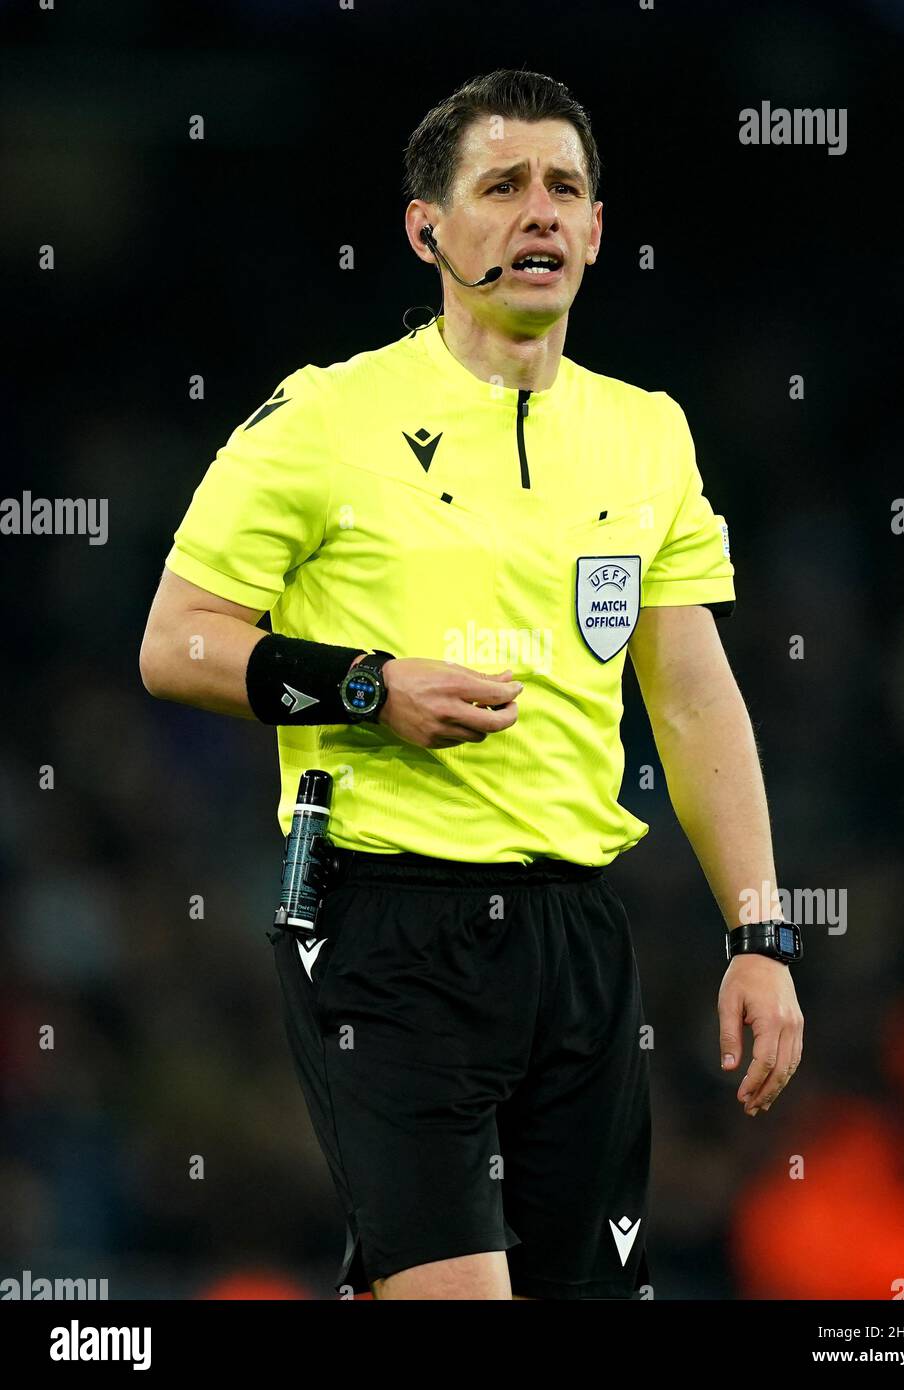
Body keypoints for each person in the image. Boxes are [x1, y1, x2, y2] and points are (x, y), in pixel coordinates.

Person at [139, 68, 804, 1301]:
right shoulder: (323, 418)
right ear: (426, 229)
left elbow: (693, 696)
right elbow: (175, 643)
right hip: (383, 925)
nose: (538, 210)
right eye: (501, 186)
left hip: (577, 935)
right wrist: (364, 688)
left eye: (564, 188)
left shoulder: (646, 433)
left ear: (596, 230)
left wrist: (758, 935)